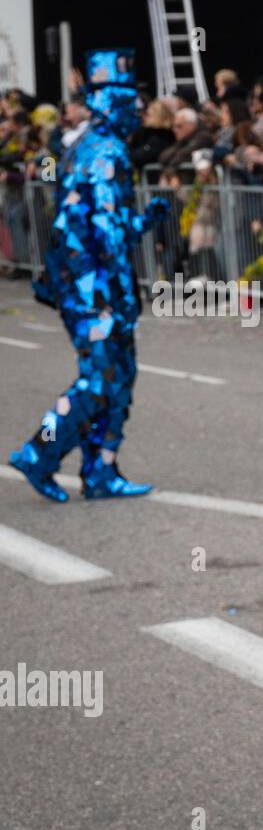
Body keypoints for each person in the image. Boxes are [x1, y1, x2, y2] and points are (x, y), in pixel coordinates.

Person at [9, 49, 169, 503]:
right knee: (100, 377)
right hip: (92, 286)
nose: (136, 107)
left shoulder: (94, 146)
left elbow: (103, 221)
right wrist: (121, 288)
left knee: (120, 375)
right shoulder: (104, 150)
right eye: (125, 99)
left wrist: (142, 222)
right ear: (104, 103)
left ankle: (101, 470)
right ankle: (38, 451)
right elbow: (103, 230)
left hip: (93, 282)